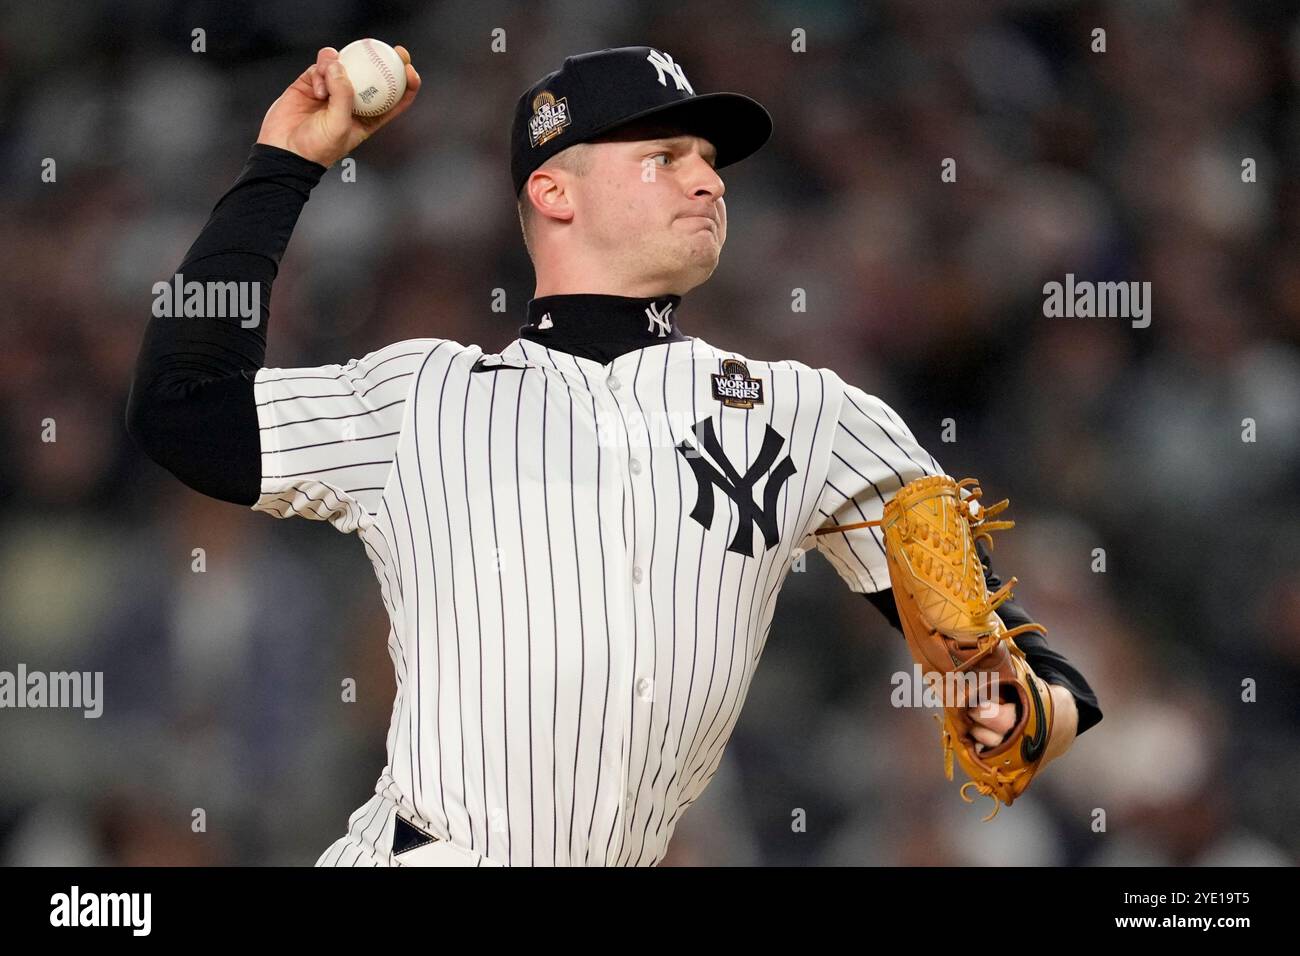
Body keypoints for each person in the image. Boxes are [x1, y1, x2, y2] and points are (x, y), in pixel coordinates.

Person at [126, 44, 1101, 867]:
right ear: (553, 189)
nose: (707, 177)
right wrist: (282, 164)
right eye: (664, 154)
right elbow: (183, 408)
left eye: (709, 159)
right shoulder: (422, 396)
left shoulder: (811, 413)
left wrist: (1002, 684)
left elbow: (1010, 687)